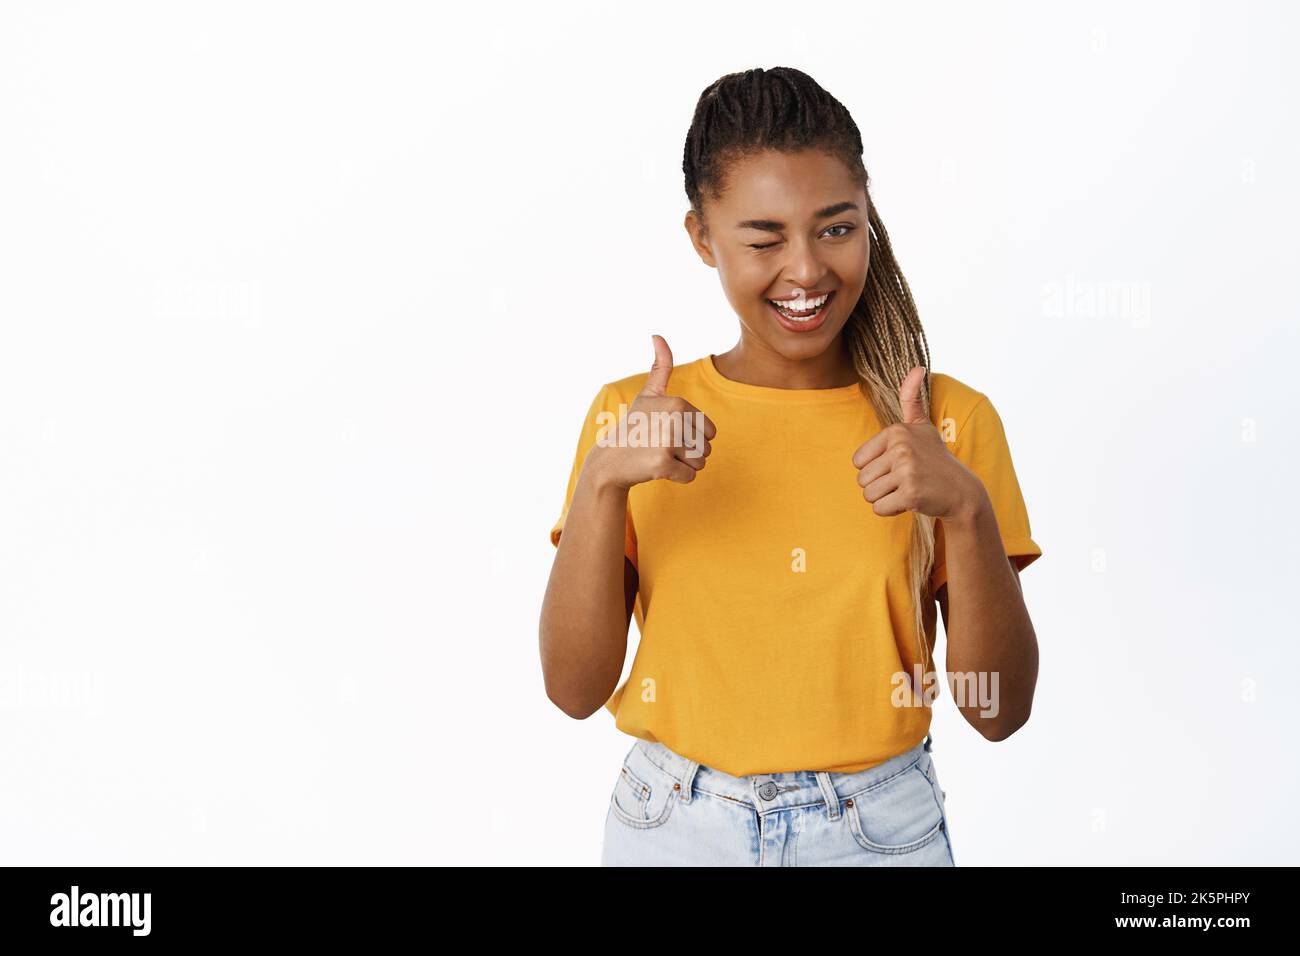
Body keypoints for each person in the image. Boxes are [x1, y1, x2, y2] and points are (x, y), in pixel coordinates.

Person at [539, 67, 1043, 866]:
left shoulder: (946, 424)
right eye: (764, 239)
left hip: (880, 833)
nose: (806, 270)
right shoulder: (630, 423)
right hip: (673, 828)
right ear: (703, 238)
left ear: (869, 219)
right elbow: (572, 691)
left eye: (836, 229)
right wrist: (604, 480)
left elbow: (1000, 709)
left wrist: (967, 511)